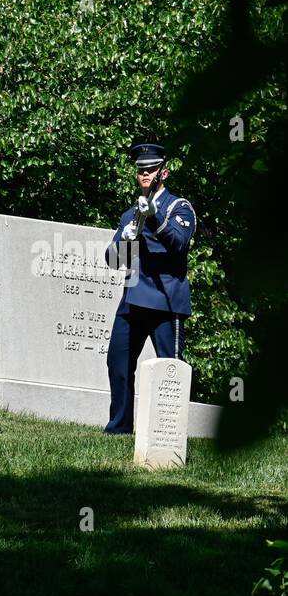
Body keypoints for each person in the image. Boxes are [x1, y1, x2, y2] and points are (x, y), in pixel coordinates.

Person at [102, 142, 197, 434]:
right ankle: (119, 427)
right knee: (117, 363)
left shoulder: (178, 207)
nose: (145, 174)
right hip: (133, 299)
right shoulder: (130, 214)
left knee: (170, 371)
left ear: (163, 173)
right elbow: (114, 261)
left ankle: (169, 433)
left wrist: (153, 216)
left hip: (166, 301)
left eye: (151, 169)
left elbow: (179, 243)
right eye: (141, 170)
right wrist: (125, 240)